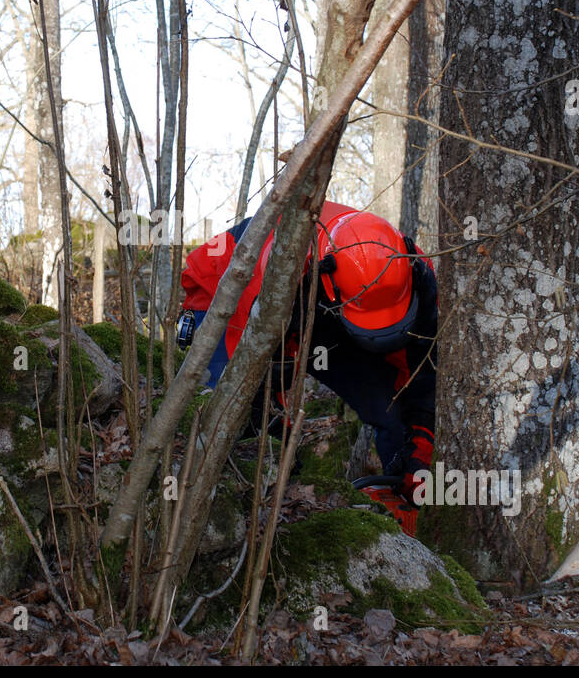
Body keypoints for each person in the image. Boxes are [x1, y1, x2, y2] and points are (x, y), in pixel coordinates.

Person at [178, 200, 437, 534]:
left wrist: (419, 454)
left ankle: (408, 512)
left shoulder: (417, 271)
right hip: (229, 295)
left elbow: (422, 377)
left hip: (330, 315)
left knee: (394, 417)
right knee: (242, 424)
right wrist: (275, 426)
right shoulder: (277, 268)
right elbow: (246, 373)